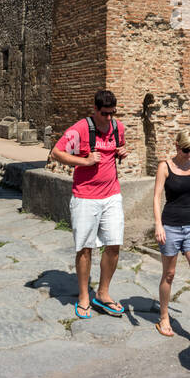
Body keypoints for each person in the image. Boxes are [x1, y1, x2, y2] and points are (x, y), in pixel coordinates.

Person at [50, 90, 128, 319]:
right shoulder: (81, 129)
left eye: (112, 113)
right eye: (104, 114)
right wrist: (85, 161)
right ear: (95, 110)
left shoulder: (117, 127)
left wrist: (122, 152)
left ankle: (103, 293)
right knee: (85, 248)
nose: (108, 118)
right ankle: (84, 296)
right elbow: (56, 152)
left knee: (114, 245)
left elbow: (119, 148)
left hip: (112, 194)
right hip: (85, 197)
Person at [152, 127, 190, 345]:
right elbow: (157, 196)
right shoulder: (165, 167)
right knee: (169, 274)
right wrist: (158, 225)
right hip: (170, 226)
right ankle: (164, 317)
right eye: (186, 150)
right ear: (177, 146)